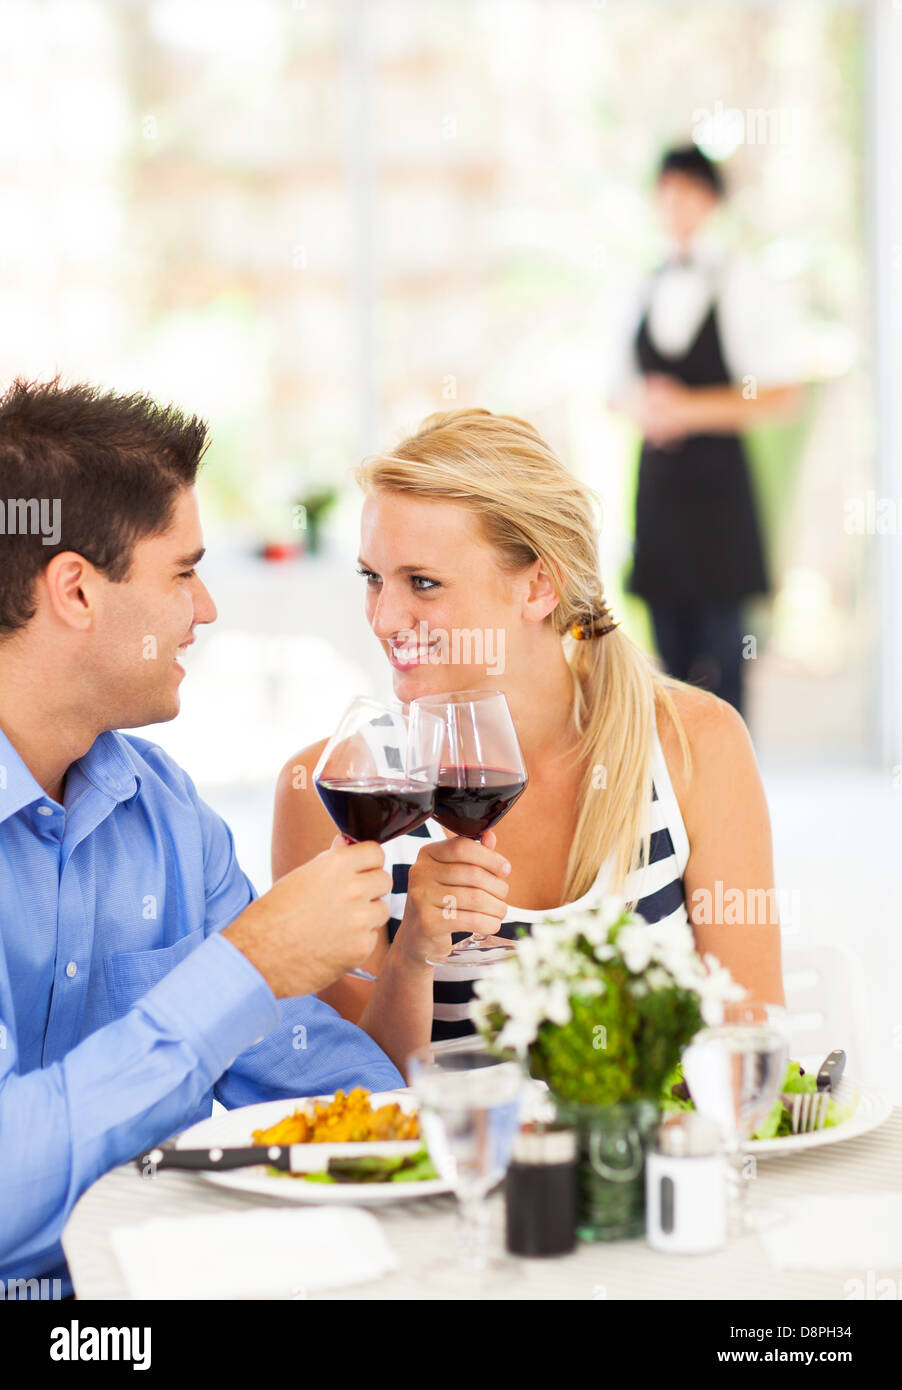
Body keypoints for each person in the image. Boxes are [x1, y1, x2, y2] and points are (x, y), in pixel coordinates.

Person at [0, 378, 400, 1298]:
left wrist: (464, 1136)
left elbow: (316, 1088)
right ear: (75, 591)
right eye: (182, 572)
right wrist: (246, 967)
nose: (207, 608)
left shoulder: (169, 815)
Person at [273, 407, 786, 1072]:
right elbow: (357, 1102)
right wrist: (415, 955)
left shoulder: (695, 746)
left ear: (539, 586)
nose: (384, 618)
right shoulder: (330, 792)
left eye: (422, 583)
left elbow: (750, 1053)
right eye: (373, 578)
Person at [608, 143, 805, 714]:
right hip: (660, 494)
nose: (676, 206)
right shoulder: (639, 285)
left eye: (689, 192)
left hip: (719, 500)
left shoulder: (743, 279)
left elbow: (783, 394)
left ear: (712, 201)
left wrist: (688, 409)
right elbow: (612, 391)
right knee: (668, 668)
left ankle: (732, 797)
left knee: (725, 663)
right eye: (666, 192)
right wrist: (644, 405)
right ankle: (676, 801)